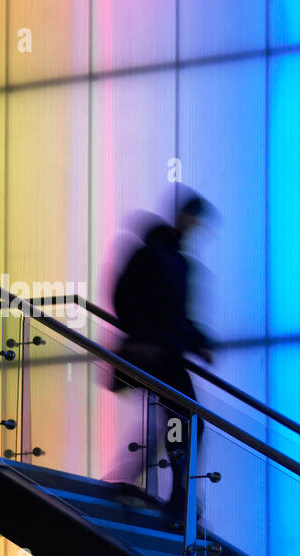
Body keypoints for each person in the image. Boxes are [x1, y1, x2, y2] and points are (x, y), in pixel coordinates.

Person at [107, 193, 216, 521]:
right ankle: (178, 496)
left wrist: (198, 342)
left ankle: (145, 484)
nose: (196, 227)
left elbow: (177, 316)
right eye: (194, 219)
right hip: (152, 354)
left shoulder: (178, 262)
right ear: (184, 216)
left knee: (176, 422)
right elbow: (126, 298)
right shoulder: (155, 255)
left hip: (163, 353)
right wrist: (143, 338)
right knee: (183, 420)